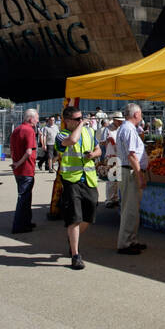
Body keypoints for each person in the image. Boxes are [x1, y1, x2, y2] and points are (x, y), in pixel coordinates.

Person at [54, 105, 99, 270]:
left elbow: (98, 149)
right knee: (74, 217)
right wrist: (82, 124)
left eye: (81, 118)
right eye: (77, 119)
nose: (81, 121)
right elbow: (71, 141)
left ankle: (73, 238)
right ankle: (75, 254)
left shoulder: (89, 132)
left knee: (90, 214)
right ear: (67, 121)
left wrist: (93, 154)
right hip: (71, 180)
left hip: (89, 179)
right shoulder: (62, 135)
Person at [115, 102, 148, 255]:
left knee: (131, 208)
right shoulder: (128, 129)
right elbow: (132, 155)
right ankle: (125, 243)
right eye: (140, 114)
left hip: (128, 170)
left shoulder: (127, 128)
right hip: (130, 172)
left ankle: (131, 239)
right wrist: (140, 175)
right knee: (130, 209)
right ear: (135, 114)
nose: (141, 116)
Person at [8, 108, 38, 234]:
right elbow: (29, 151)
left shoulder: (16, 130)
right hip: (26, 169)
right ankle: (19, 225)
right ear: (30, 119)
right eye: (36, 118)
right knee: (24, 198)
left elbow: (12, 148)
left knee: (25, 197)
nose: (37, 121)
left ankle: (26, 222)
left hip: (19, 170)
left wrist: (15, 162)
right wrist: (19, 163)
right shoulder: (29, 130)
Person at [102, 111, 124, 208]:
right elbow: (102, 142)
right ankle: (110, 199)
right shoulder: (108, 129)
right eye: (118, 121)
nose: (120, 122)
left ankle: (116, 197)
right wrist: (108, 141)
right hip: (111, 155)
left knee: (118, 179)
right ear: (114, 120)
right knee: (111, 179)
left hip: (119, 155)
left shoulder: (121, 129)